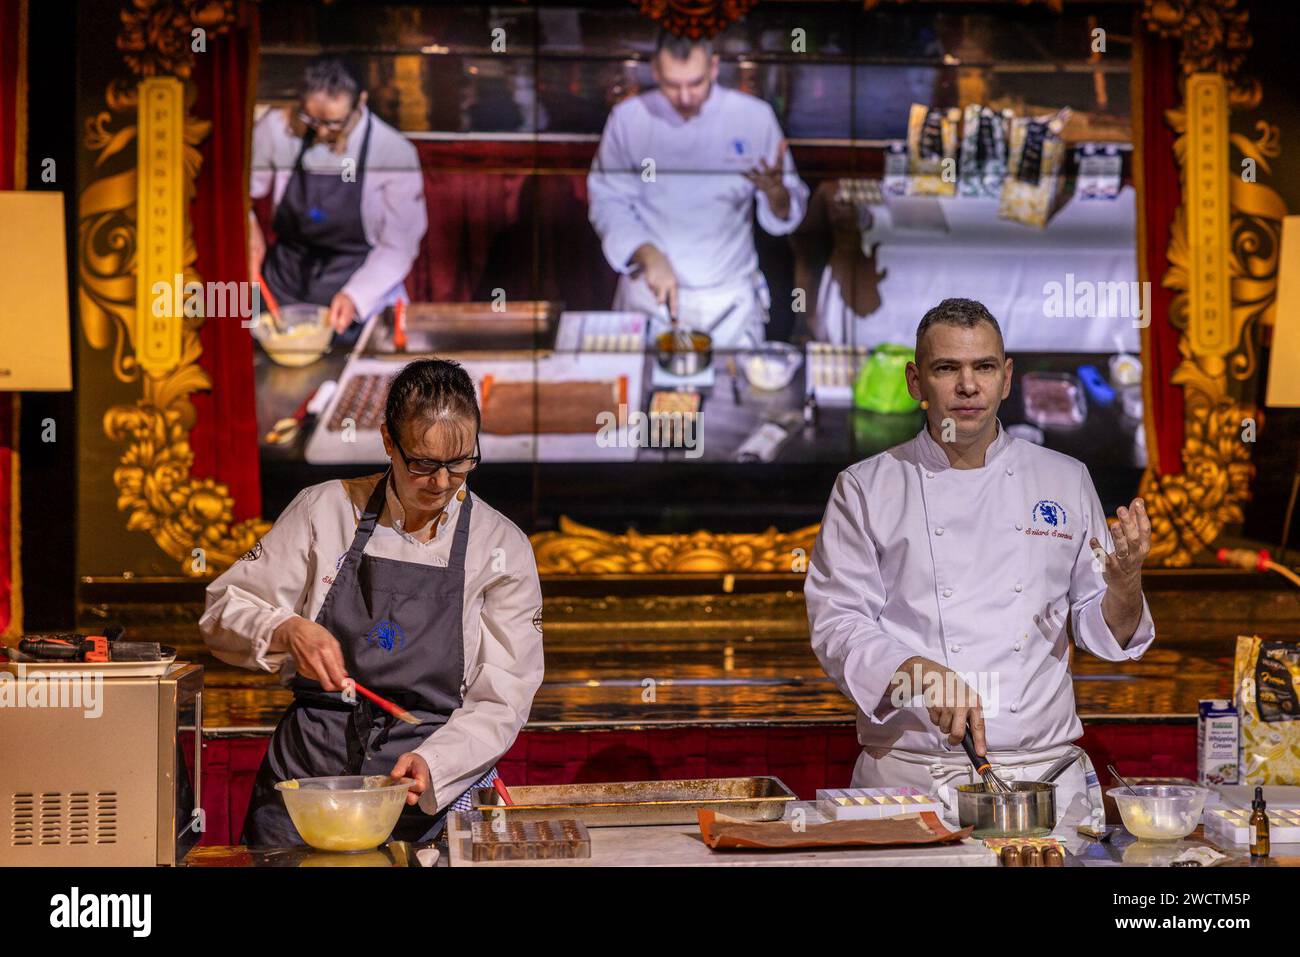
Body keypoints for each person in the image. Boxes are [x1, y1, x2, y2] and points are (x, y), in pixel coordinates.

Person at [804, 298, 1155, 823]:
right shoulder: (866, 487)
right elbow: (837, 625)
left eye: (983, 367)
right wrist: (917, 672)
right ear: (915, 382)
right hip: (911, 782)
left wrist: (1125, 584)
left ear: (1006, 377)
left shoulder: (1064, 478)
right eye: (947, 368)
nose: (968, 386)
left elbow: (1098, 628)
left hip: (1044, 782)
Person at [200, 359, 544, 844]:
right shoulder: (325, 510)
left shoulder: (501, 547)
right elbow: (220, 614)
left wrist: (436, 762)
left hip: (415, 794)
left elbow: (505, 695)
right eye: (423, 463)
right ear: (388, 442)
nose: (442, 483)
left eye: (461, 462)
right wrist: (285, 628)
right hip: (308, 787)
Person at [587, 31, 809, 348]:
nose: (686, 97)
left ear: (714, 68)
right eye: (673, 86)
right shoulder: (629, 119)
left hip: (728, 303)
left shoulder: (752, 117)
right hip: (651, 298)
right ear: (655, 71)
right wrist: (647, 253)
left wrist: (778, 198)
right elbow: (607, 201)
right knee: (643, 398)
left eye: (696, 83)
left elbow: (787, 209)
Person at [249, 57, 427, 344]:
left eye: (333, 123)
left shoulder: (393, 153)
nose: (320, 132)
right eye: (311, 120)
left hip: (355, 288)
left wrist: (356, 296)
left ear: (361, 102)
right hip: (283, 285)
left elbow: (399, 245)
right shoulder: (276, 127)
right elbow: (240, 192)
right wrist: (248, 230)